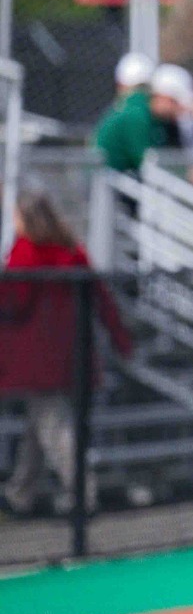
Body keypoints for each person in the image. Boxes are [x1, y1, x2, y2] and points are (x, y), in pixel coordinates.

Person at [0, 194, 132, 516]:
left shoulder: (26, 252)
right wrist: (120, 338)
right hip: (72, 353)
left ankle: (82, 494)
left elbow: (13, 304)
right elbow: (102, 298)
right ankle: (19, 493)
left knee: (52, 426)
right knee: (40, 425)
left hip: (36, 359)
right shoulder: (74, 251)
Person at [94, 63, 193, 176]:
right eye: (175, 102)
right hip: (110, 185)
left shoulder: (161, 122)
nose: (179, 110)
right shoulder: (136, 117)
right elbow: (146, 163)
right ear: (163, 97)